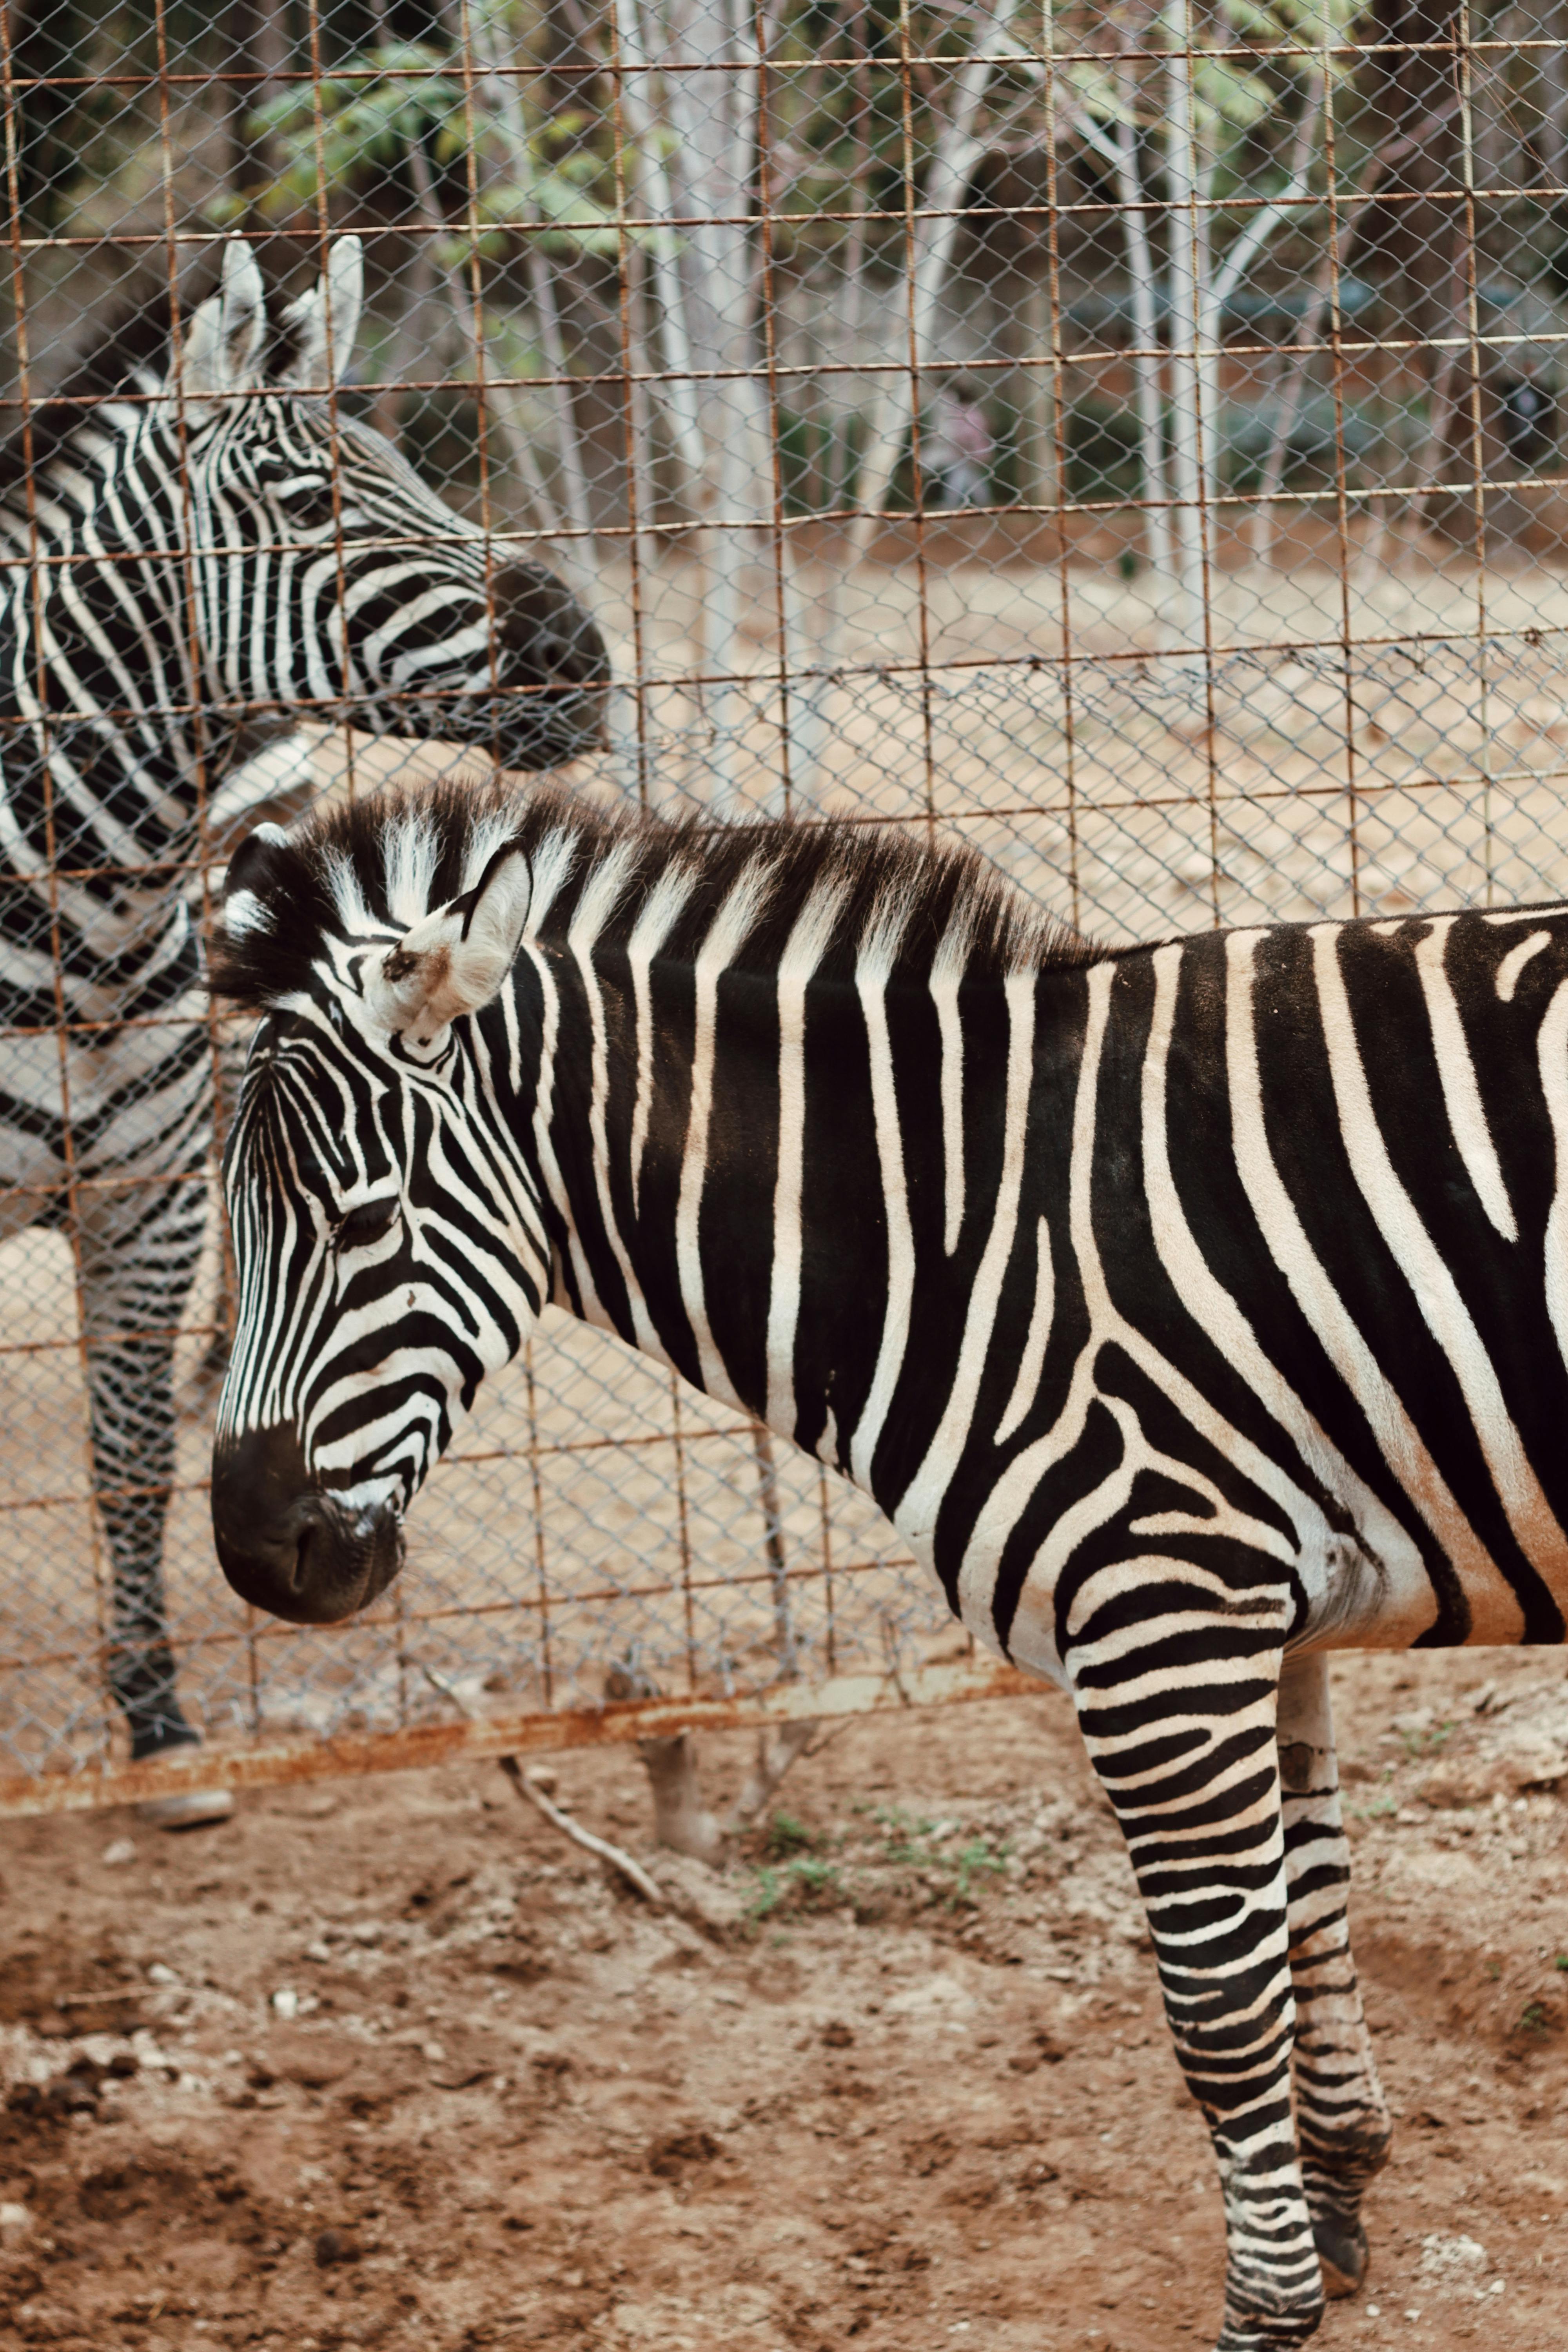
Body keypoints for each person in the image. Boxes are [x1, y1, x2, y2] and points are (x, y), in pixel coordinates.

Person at [923, 380, 993, 509]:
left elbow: (970, 433)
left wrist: (965, 444)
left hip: (968, 449)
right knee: (970, 477)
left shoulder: (967, 413)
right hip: (968, 449)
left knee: (960, 476)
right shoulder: (972, 411)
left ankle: (951, 502)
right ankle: (983, 501)